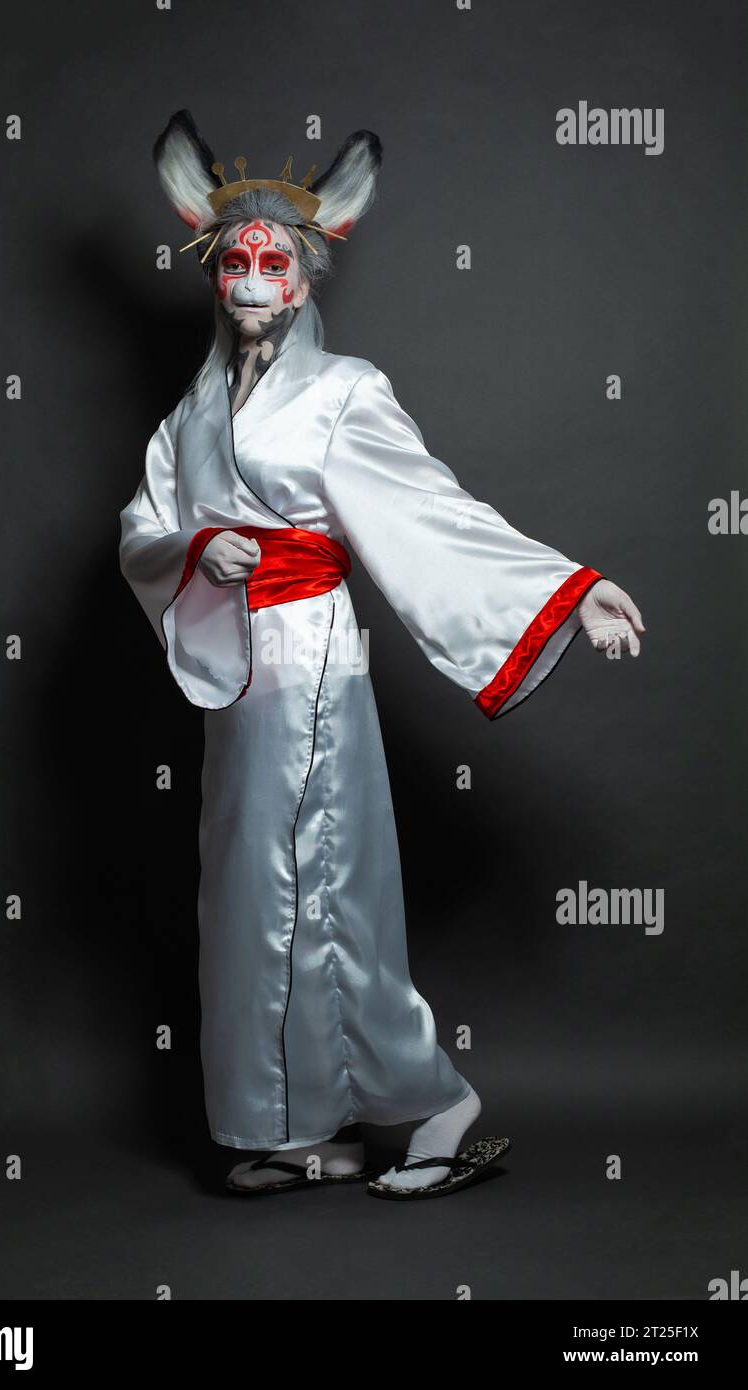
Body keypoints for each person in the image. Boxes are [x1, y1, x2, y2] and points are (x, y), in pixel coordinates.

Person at [119, 110, 645, 1200]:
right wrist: (195, 545)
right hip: (234, 667)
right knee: (245, 885)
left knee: (321, 874)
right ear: (213, 277)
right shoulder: (192, 410)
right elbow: (141, 526)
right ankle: (297, 1126)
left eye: (273, 263)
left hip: (312, 653)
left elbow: (430, 512)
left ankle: (433, 1100)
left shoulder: (343, 393)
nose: (253, 279)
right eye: (234, 263)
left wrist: (572, 588)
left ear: (305, 280)